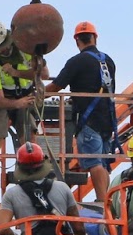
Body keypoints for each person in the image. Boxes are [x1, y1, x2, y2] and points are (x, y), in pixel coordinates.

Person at [44, 21, 116, 203]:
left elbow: (56, 86)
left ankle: (102, 202)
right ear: (95, 38)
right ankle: (105, 201)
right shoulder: (108, 61)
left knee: (94, 163)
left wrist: (35, 94)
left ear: (77, 40)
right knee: (103, 163)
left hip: (88, 120)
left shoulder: (77, 62)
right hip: (107, 121)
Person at [0, 142, 85, 235]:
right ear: (44, 163)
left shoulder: (11, 194)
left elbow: (2, 229)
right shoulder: (63, 188)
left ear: (19, 166)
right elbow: (78, 227)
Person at [0, 20, 44, 189]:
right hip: (2, 102)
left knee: (29, 141)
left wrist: (16, 73)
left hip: (24, 96)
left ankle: (32, 181)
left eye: (5, 46)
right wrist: (17, 103)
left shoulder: (25, 48)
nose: (3, 50)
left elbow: (43, 74)